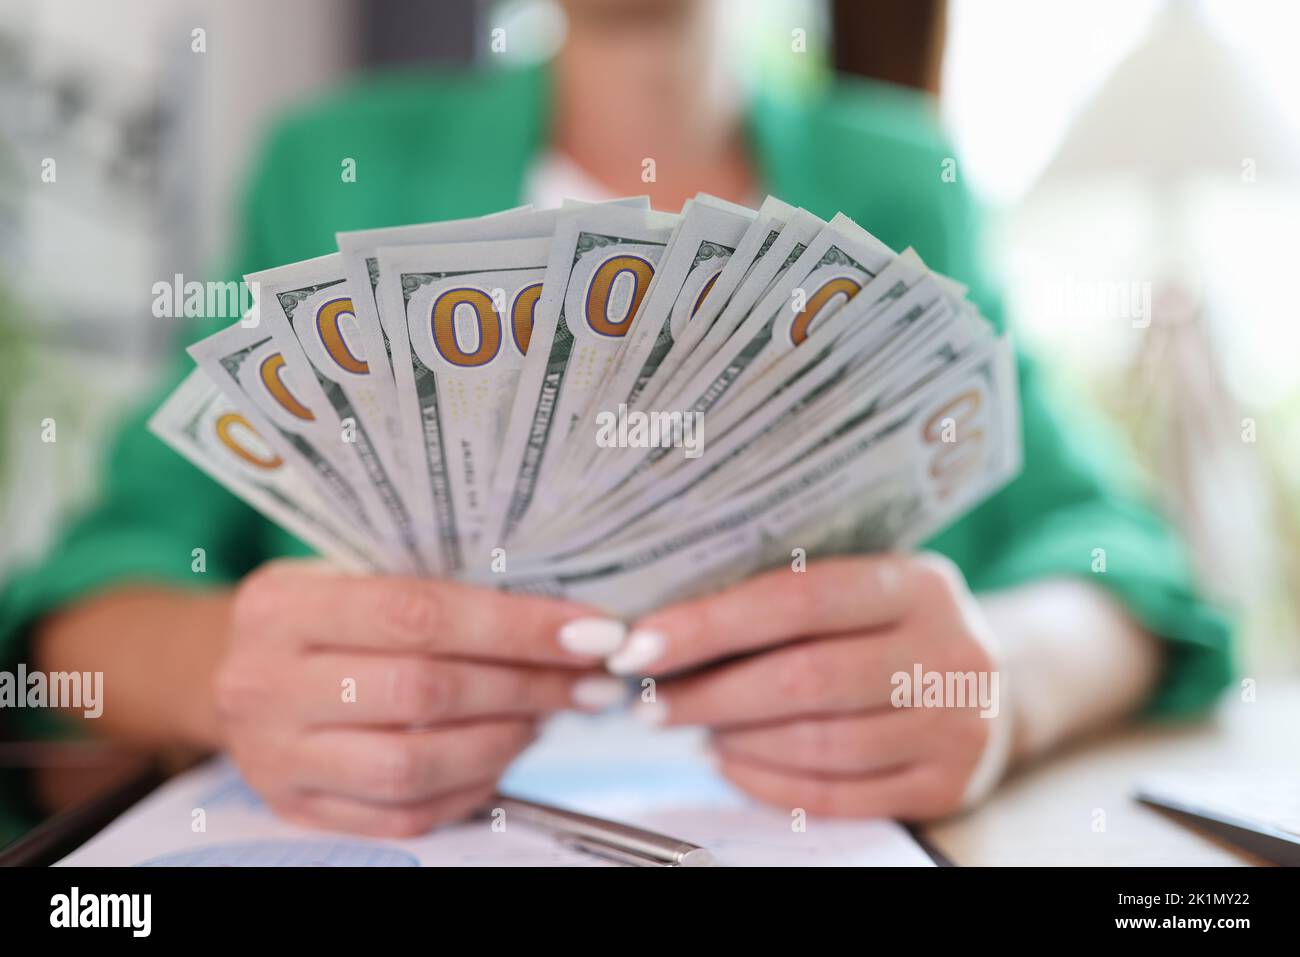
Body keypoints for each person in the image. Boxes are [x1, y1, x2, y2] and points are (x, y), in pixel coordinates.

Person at [0, 0, 1229, 837]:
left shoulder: (901, 176)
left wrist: (1007, 681)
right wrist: (229, 676)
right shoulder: (330, 164)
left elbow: (1120, 558)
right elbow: (88, 595)